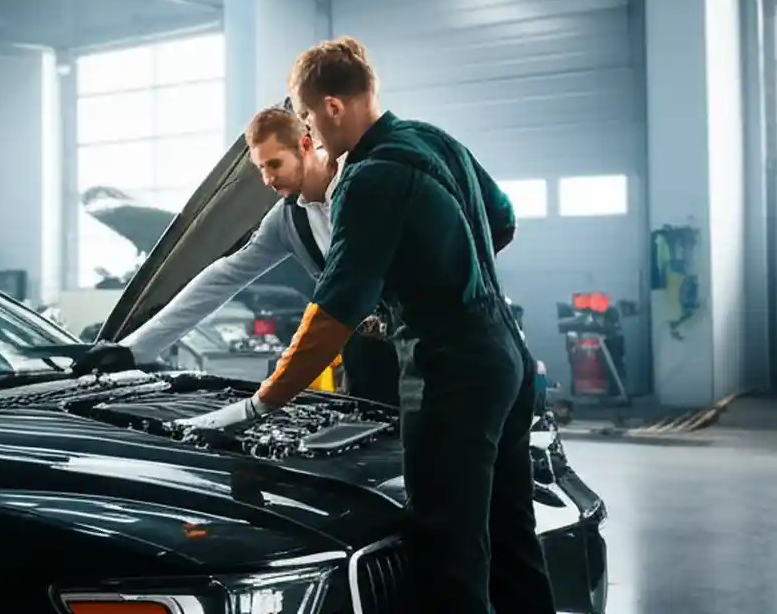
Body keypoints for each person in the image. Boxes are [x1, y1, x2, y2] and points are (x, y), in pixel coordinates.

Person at [174, 37, 553, 614]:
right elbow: (501, 221)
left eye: (307, 118)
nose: (311, 134)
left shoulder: (367, 178)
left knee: (450, 550)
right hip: (508, 357)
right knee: (510, 534)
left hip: (448, 374)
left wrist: (259, 404)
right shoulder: (433, 137)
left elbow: (331, 316)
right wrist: (449, 274)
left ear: (331, 107)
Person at [118, 103, 401, 407]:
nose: (267, 179)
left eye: (275, 164)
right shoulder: (286, 221)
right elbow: (222, 278)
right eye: (261, 168)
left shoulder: (370, 185)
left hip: (421, 345)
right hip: (364, 353)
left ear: (305, 145)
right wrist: (133, 349)